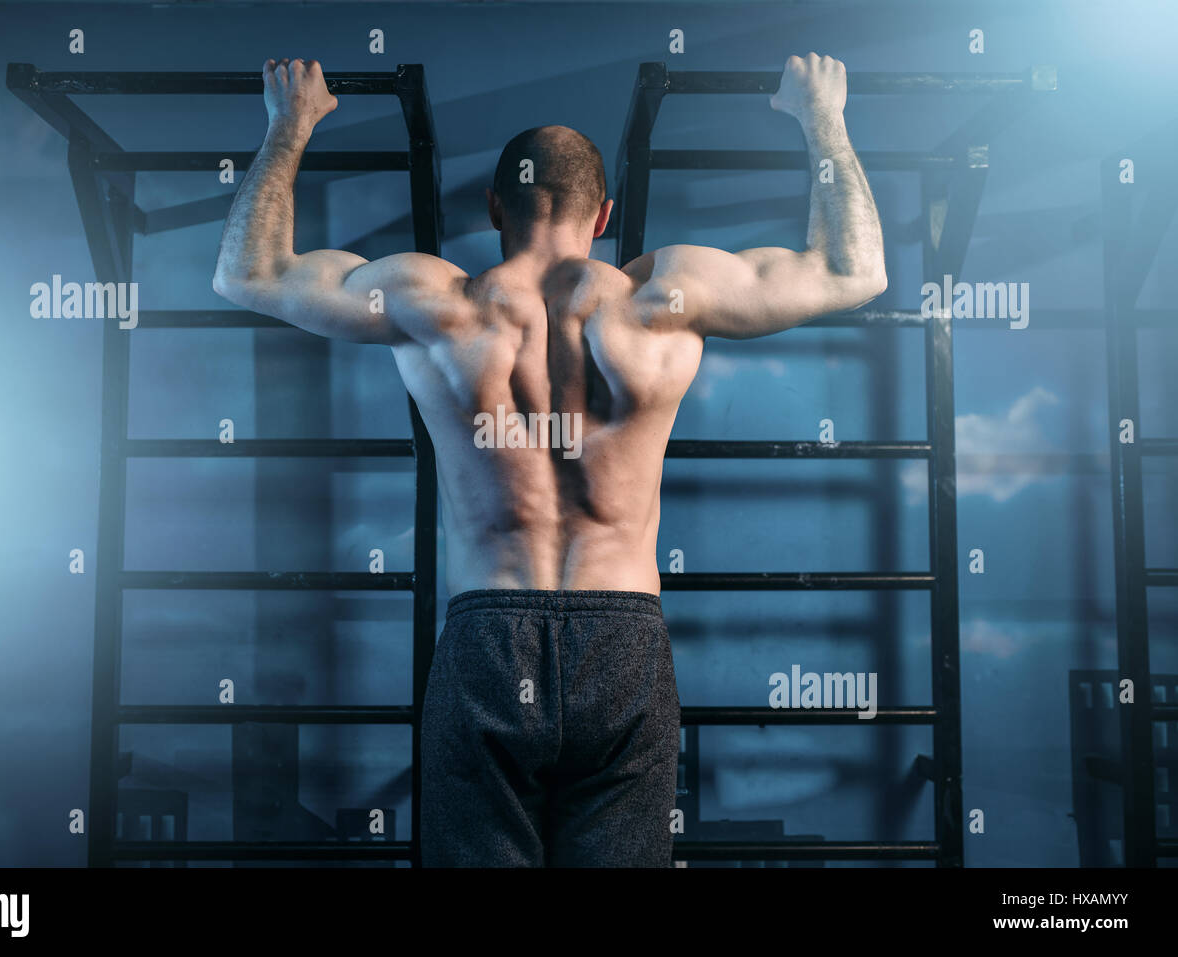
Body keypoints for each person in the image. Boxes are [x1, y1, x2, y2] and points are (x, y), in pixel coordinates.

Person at [213, 53, 887, 866]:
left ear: (496, 206)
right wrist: (823, 117)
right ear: (602, 214)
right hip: (624, 637)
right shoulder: (664, 302)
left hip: (487, 639)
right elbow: (855, 270)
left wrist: (292, 123)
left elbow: (249, 272)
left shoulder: (436, 303)